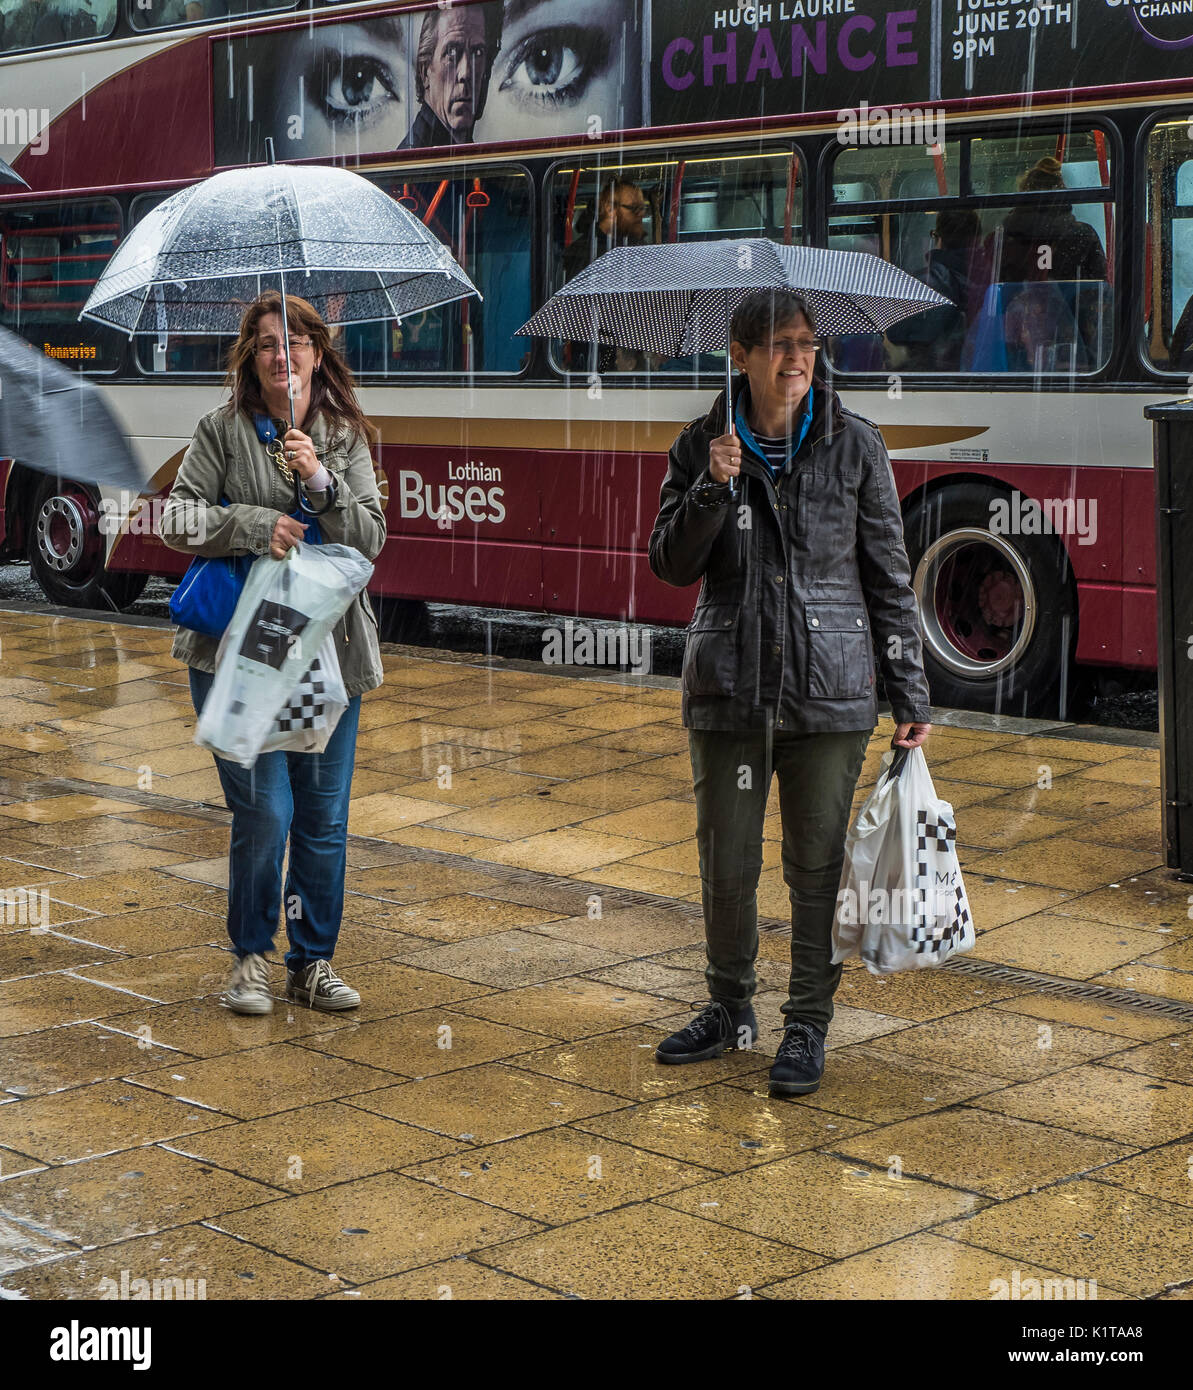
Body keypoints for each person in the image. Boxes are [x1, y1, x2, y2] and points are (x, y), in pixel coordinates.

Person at [649, 288, 932, 1097]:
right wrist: (711, 487)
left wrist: (909, 690)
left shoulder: (855, 446)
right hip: (729, 685)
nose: (796, 357)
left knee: (814, 867)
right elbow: (668, 564)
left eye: (805, 342)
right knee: (726, 864)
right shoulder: (701, 444)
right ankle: (728, 1006)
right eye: (777, 343)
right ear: (738, 354)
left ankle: (805, 1023)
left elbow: (886, 576)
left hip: (829, 692)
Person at [160, 292, 386, 1016]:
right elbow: (178, 519)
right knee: (266, 815)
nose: (279, 354)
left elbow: (369, 540)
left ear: (318, 353)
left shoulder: (344, 434)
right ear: (249, 358)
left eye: (293, 342)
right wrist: (258, 524)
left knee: (322, 820)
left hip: (329, 652)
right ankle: (250, 958)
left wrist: (319, 477)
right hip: (241, 653)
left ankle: (311, 962)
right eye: (264, 343)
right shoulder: (221, 430)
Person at [886, 208, 984, 371]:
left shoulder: (925, 284)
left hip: (932, 371)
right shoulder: (991, 272)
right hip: (970, 367)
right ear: (977, 238)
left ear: (939, 238)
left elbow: (896, 333)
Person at [400, 3, 502, 149]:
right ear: (425, 72)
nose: (466, 73)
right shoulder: (416, 158)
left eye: (478, 53)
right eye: (452, 53)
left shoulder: (459, 150)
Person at [994, 156, 1107, 284]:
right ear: (1063, 197)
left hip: (1017, 302)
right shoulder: (1082, 235)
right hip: (1070, 302)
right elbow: (1099, 286)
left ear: (1023, 195)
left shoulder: (1003, 237)